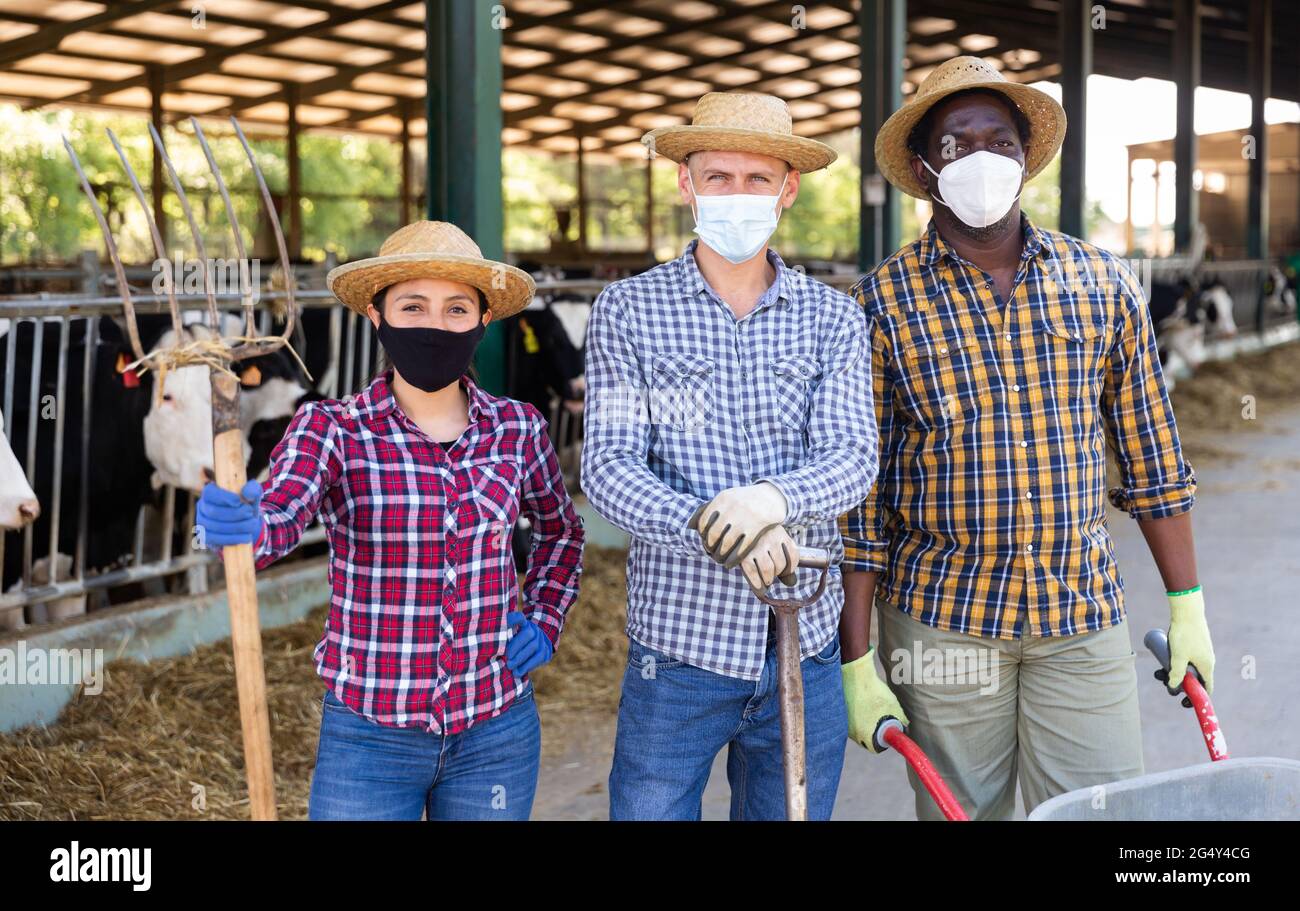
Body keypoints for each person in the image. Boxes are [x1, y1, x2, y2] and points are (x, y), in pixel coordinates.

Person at [839, 56, 1215, 819]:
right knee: (964, 814)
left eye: (999, 141)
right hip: (943, 620)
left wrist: (1188, 606)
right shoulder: (879, 303)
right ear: (923, 167)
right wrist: (858, 657)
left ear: (1025, 159)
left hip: (1080, 617)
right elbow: (860, 501)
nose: (980, 158)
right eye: (956, 143)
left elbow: (1152, 458)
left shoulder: (1101, 281)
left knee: (1105, 811)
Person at [195, 221, 585, 820]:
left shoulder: (519, 428)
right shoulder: (331, 429)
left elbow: (560, 532)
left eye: (457, 308)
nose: (435, 324)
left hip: (496, 730)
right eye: (413, 305)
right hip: (370, 737)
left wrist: (545, 616)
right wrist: (241, 529)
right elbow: (279, 514)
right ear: (377, 315)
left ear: (483, 322)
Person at [582, 91, 878, 820]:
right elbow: (610, 467)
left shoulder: (833, 317)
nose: (736, 195)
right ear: (686, 183)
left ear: (788, 187)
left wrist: (772, 501)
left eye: (756, 179)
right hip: (678, 650)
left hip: (804, 647)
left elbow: (852, 453)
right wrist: (719, 523)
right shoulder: (629, 311)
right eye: (718, 178)